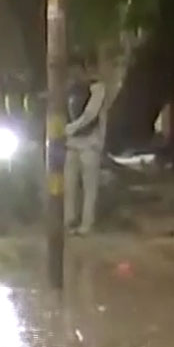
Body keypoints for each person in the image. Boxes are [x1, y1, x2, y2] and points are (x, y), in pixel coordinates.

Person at [65, 56, 108, 234]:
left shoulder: (97, 88)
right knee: (69, 185)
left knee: (89, 187)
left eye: (76, 70)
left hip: (90, 143)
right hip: (72, 143)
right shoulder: (70, 89)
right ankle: (70, 220)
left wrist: (70, 128)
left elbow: (90, 114)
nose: (73, 75)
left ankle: (86, 224)